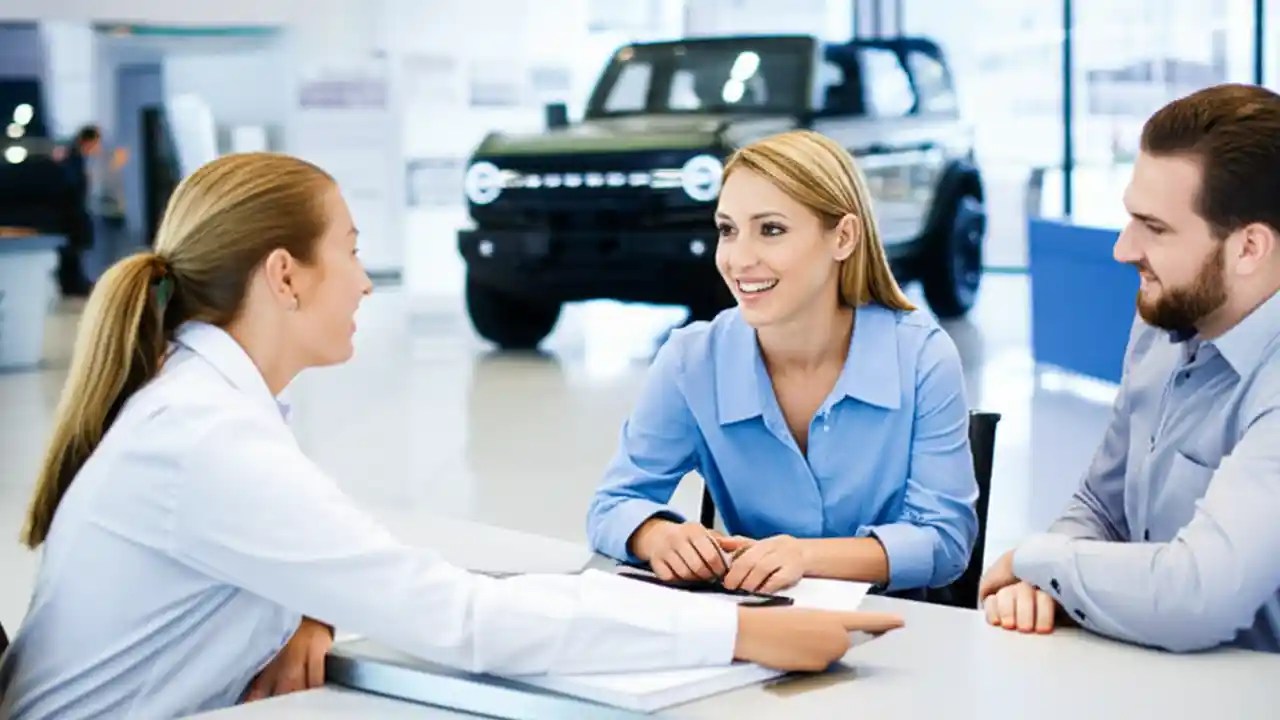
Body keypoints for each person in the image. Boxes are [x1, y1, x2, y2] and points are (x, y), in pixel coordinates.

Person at [0, 152, 904, 719]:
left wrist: (302, 601)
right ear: (284, 276)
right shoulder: (204, 438)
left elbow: (293, 548)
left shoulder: (205, 407)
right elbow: (461, 620)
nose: (365, 282)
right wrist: (743, 636)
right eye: (350, 250)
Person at [586, 130, 979, 598]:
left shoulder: (921, 357)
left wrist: (806, 557)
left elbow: (946, 541)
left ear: (844, 237)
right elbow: (613, 505)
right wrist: (657, 536)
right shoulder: (691, 362)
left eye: (771, 230)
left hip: (899, 634)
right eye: (728, 230)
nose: (738, 258)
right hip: (754, 630)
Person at [978, 83, 1280, 653]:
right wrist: (1046, 583)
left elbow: (1199, 596)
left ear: (1248, 248)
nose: (1123, 248)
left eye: (1156, 228)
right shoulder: (1162, 326)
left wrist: (1038, 557)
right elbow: (1100, 506)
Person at [55, 124, 103, 296]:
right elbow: (71, 187)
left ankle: (73, 283)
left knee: (74, 250)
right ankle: (72, 284)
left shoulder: (72, 157)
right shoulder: (73, 159)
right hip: (71, 213)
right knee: (73, 249)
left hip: (71, 212)